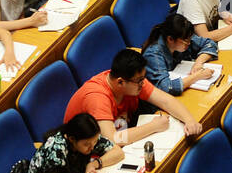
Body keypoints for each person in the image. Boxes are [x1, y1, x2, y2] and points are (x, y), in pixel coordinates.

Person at [63, 48, 203, 144]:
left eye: (143, 78)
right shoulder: (97, 97)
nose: (143, 83)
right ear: (120, 82)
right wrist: (152, 127)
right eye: (139, 80)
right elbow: (113, 139)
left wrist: (190, 121)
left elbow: (165, 100)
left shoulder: (132, 81)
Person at [29, 112, 123, 173]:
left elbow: (118, 152)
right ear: (72, 139)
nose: (92, 147)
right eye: (87, 144)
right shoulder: (56, 149)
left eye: (94, 142)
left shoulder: (88, 137)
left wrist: (94, 164)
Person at [141, 14, 218, 96]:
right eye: (186, 41)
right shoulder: (153, 54)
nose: (189, 43)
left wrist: (198, 63)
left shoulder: (183, 36)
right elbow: (167, 87)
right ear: (170, 39)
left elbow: (209, 43)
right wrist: (198, 76)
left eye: (189, 39)